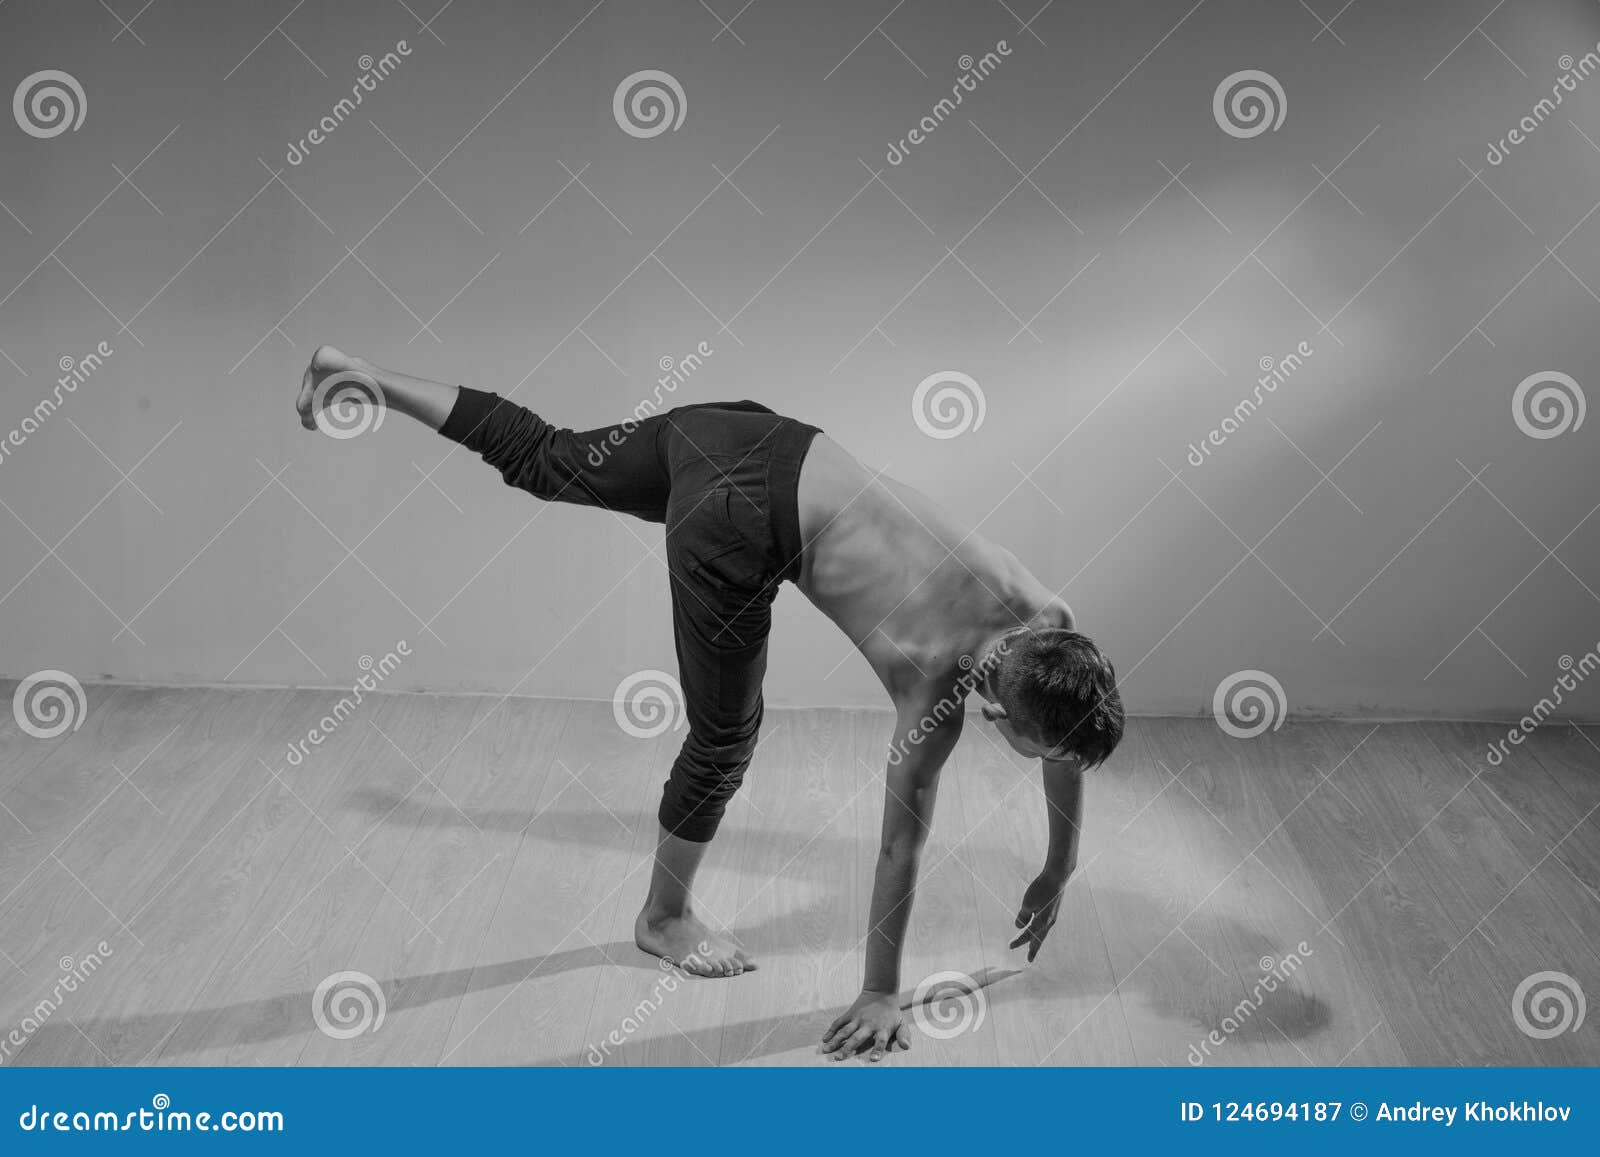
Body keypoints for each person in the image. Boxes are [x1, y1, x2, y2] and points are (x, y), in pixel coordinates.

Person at [295, 345, 1124, 1061]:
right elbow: (897, 853)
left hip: (750, 432)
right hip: (733, 524)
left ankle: (364, 377)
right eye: (1037, 750)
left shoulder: (1050, 618)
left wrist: (1061, 861)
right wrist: (879, 992)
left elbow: (1069, 729)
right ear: (998, 719)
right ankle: (662, 916)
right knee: (725, 737)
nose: (1048, 762)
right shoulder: (933, 690)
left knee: (549, 458)